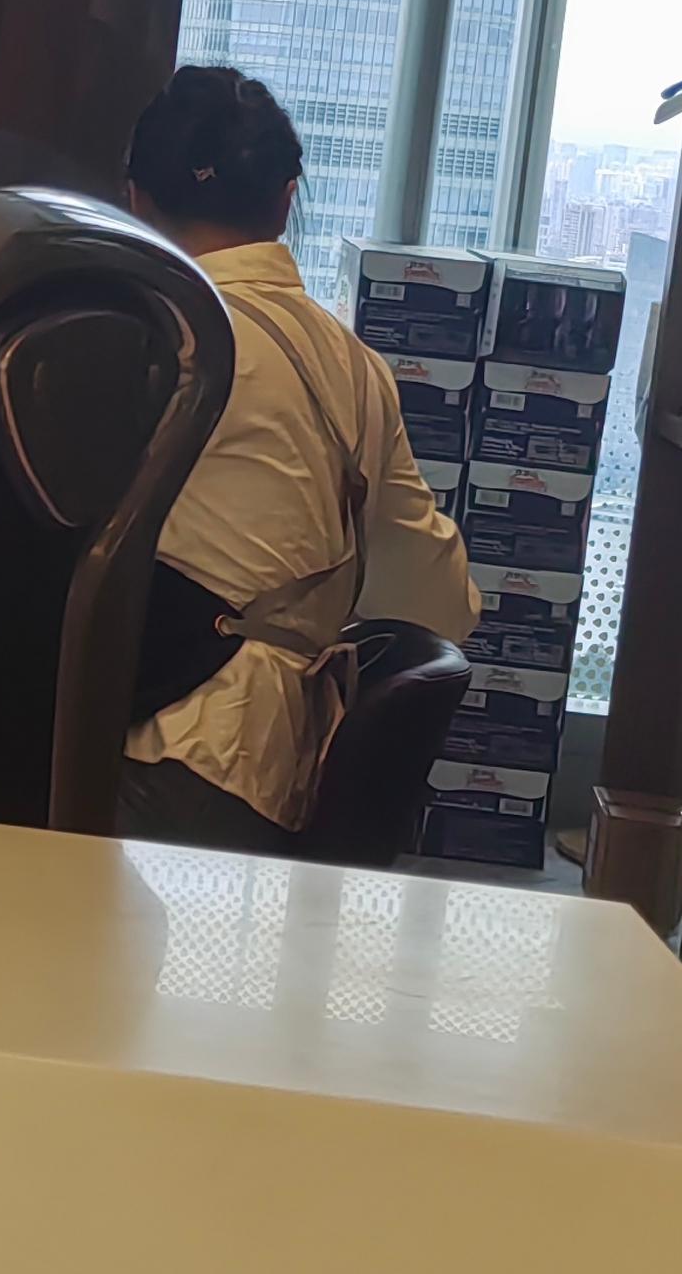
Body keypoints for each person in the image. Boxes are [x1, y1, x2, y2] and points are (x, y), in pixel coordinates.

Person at [116, 65, 475, 853]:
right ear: (286, 201)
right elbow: (441, 606)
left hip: (150, 767)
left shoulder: (141, 338)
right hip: (266, 774)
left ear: (135, 198)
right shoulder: (355, 369)